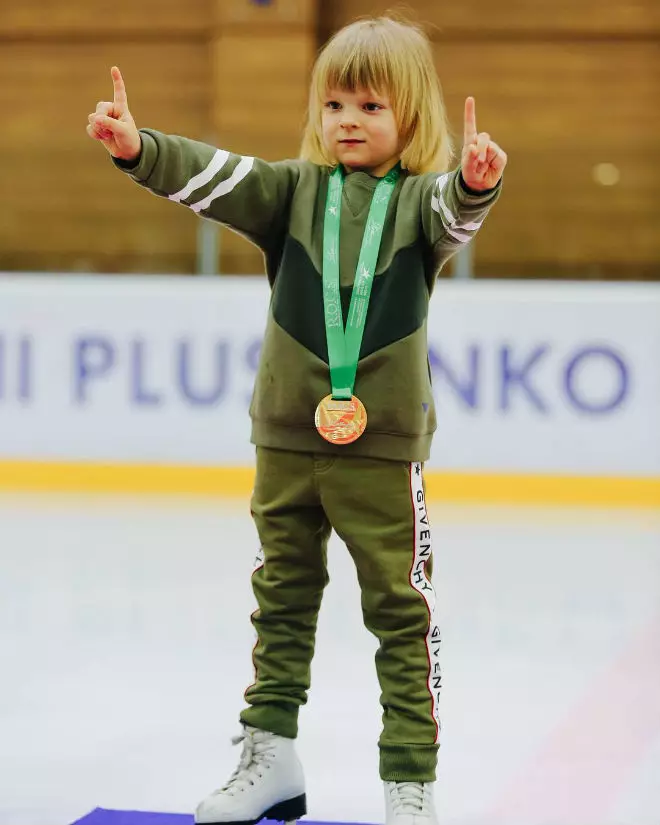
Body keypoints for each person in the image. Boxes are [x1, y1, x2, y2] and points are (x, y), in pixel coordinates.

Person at [87, 14, 506, 825]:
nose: (348, 120)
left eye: (372, 107)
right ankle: (270, 753)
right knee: (280, 598)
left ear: (411, 118)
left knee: (398, 611)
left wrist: (478, 183)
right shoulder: (290, 191)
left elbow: (457, 215)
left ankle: (408, 784)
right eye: (336, 104)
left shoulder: (419, 204)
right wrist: (141, 150)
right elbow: (213, 173)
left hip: (380, 448)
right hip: (283, 434)